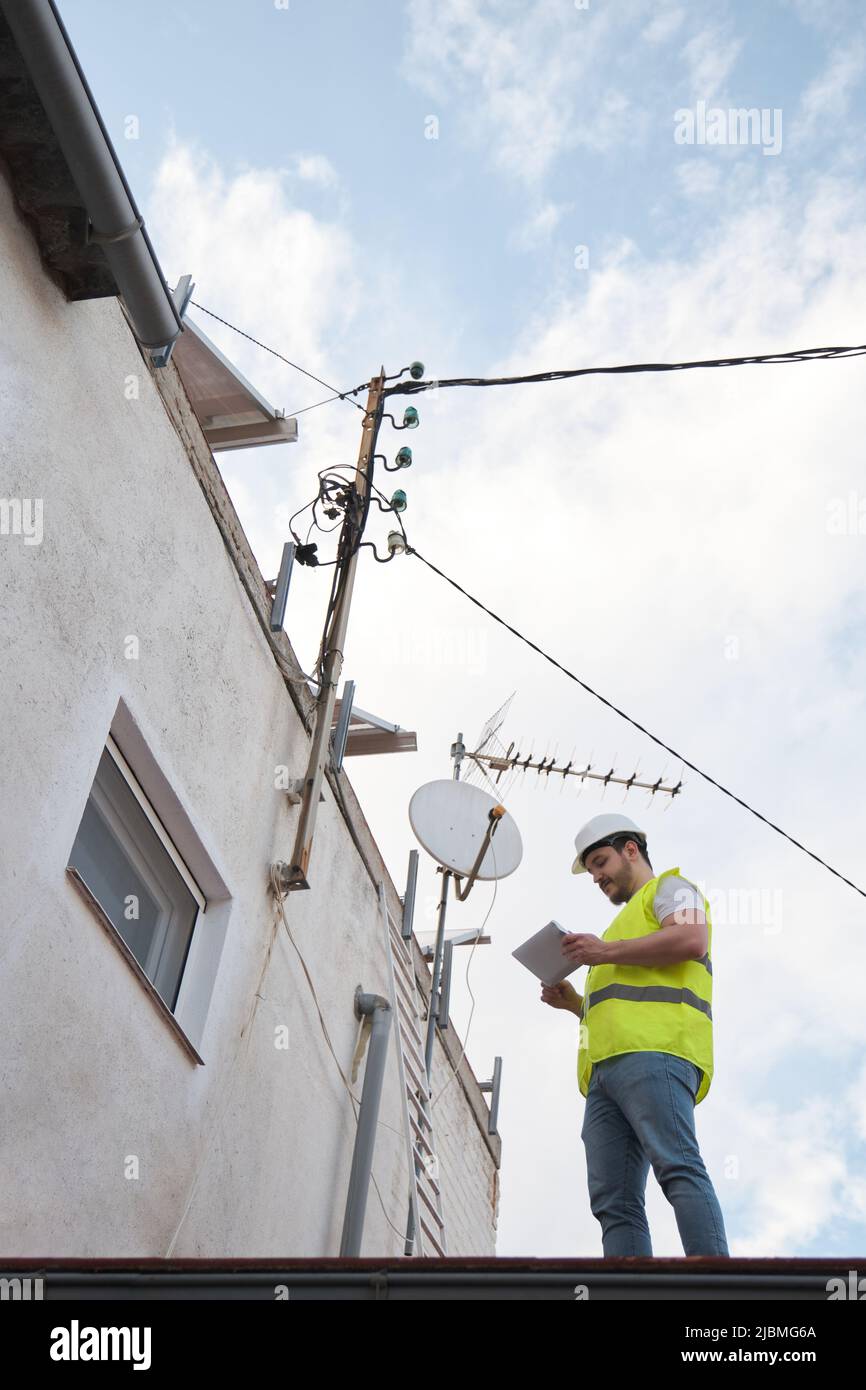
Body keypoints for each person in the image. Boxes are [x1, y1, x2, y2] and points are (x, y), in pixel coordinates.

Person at [542, 812, 729, 1257]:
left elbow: (690, 939)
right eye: (591, 871)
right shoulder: (619, 930)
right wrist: (575, 1004)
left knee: (678, 1167)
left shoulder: (670, 888)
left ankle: (719, 1281)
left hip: (656, 1054)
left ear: (631, 849)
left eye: (601, 862)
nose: (597, 877)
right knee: (614, 1202)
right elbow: (625, 1000)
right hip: (605, 1074)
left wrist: (603, 951)